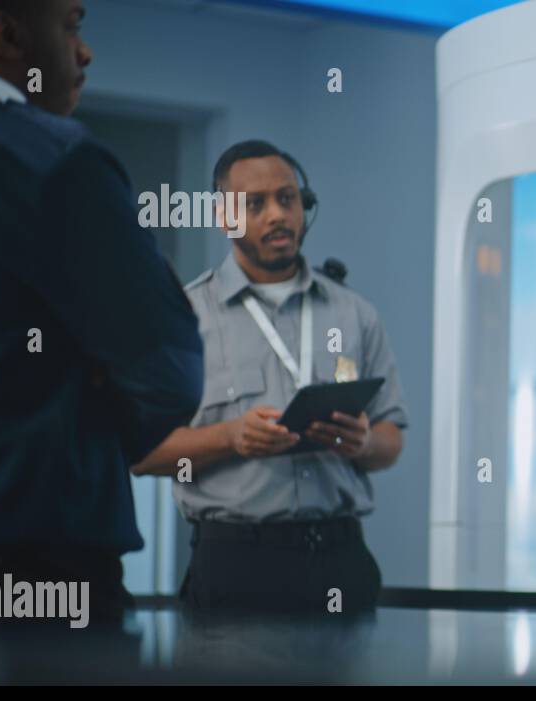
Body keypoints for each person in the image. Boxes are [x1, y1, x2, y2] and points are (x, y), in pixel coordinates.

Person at [0, 0, 204, 624]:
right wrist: (89, 410)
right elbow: (170, 373)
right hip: (38, 574)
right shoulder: (55, 160)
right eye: (72, 26)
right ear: (5, 33)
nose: (85, 52)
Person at [132, 140, 408, 618]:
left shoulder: (355, 312)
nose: (277, 215)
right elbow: (142, 455)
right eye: (254, 204)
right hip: (237, 565)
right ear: (224, 218)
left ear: (306, 206)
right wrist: (231, 437)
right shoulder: (183, 316)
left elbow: (391, 439)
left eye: (288, 198)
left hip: (342, 564)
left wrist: (363, 443)